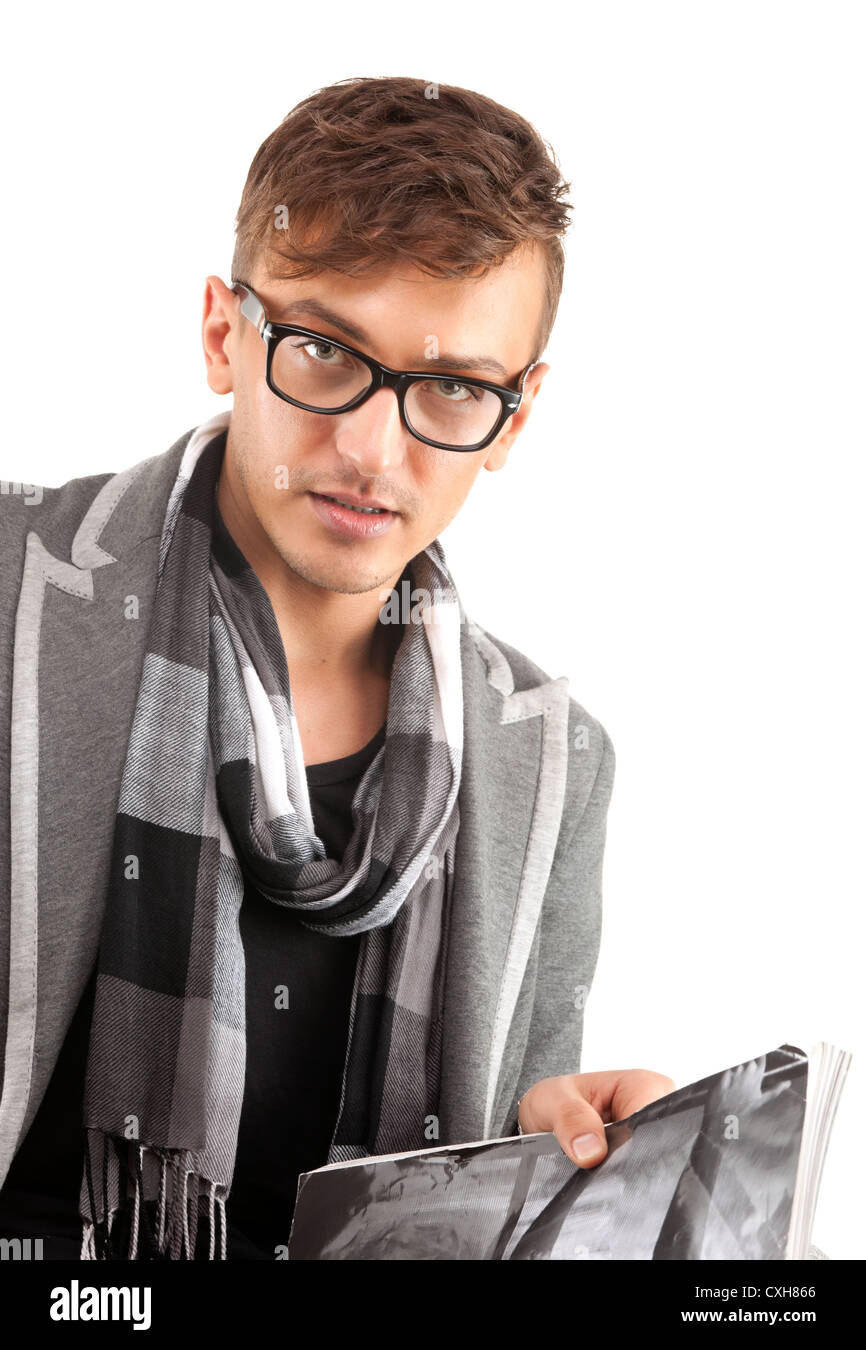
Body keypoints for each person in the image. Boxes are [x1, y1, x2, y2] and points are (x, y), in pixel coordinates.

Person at [0, 75, 674, 1261]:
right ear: (223, 333)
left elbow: (504, 1150)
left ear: (513, 418)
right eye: (321, 349)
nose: (370, 447)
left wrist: (537, 1147)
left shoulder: (552, 765)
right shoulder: (15, 584)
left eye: (453, 388)